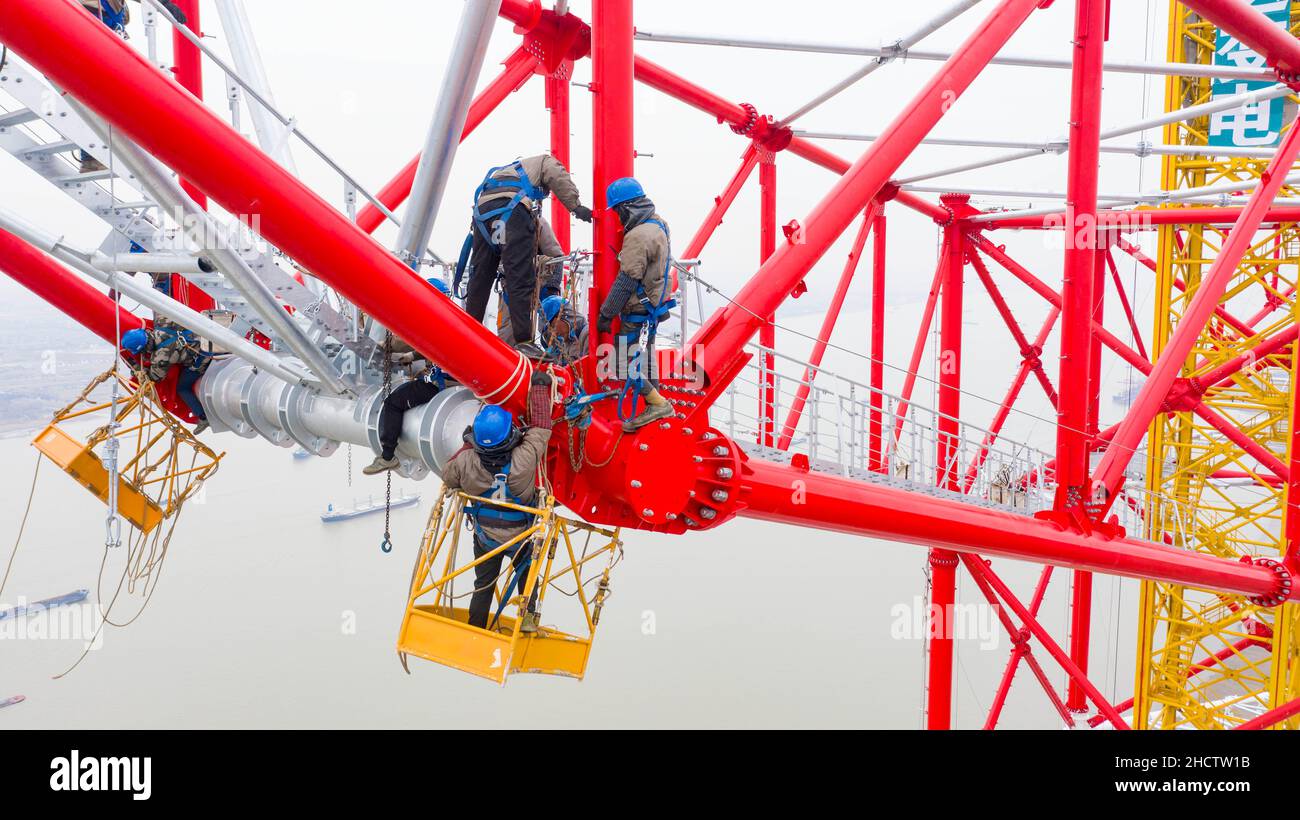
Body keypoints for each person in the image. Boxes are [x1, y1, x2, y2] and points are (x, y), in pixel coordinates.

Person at [442, 372, 554, 631]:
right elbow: (541, 429)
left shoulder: (465, 461)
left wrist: (468, 444)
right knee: (527, 577)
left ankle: (476, 627)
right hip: (520, 537)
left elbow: (449, 477)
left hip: (486, 538)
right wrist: (539, 389)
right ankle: (527, 618)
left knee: (483, 585)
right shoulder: (524, 459)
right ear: (510, 436)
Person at [465, 154, 592, 355]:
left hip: (482, 213)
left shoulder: (503, 172)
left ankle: (468, 333)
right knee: (520, 278)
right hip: (511, 210)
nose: (546, 194)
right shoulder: (543, 162)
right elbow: (555, 173)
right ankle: (524, 341)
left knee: (479, 279)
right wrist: (575, 207)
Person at [595, 177, 676, 431]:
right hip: (655, 303)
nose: (618, 217)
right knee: (645, 353)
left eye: (618, 211)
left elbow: (626, 280)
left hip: (638, 307)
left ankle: (657, 404)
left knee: (621, 361)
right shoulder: (659, 224)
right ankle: (657, 403)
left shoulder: (638, 236)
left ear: (627, 208)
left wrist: (606, 314)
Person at [76, 1, 187, 173]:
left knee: (107, 98)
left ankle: (92, 157)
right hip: (92, 30)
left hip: (106, 34)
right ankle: (91, 157)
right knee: (100, 97)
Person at [362, 278, 456, 476]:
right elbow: (433, 345)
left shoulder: (433, 319)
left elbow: (411, 339)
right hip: (453, 381)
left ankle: (388, 457)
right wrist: (412, 356)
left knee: (393, 402)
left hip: (440, 384)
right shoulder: (451, 317)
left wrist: (384, 346)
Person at [120, 319, 211, 434]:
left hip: (204, 359)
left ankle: (203, 417)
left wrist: (136, 369)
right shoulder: (161, 328)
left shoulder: (162, 354)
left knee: (182, 388)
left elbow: (155, 377)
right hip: (208, 343)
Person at [494, 216, 566, 346]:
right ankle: (512, 363)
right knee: (507, 334)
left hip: (540, 288)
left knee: (552, 332)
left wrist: (551, 289)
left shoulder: (537, 222)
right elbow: (492, 257)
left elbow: (557, 257)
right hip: (510, 287)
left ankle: (556, 361)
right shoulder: (497, 223)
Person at [537, 295, 588, 365]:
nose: (554, 334)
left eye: (553, 327)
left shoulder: (587, 335)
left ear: (565, 316)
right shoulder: (568, 344)